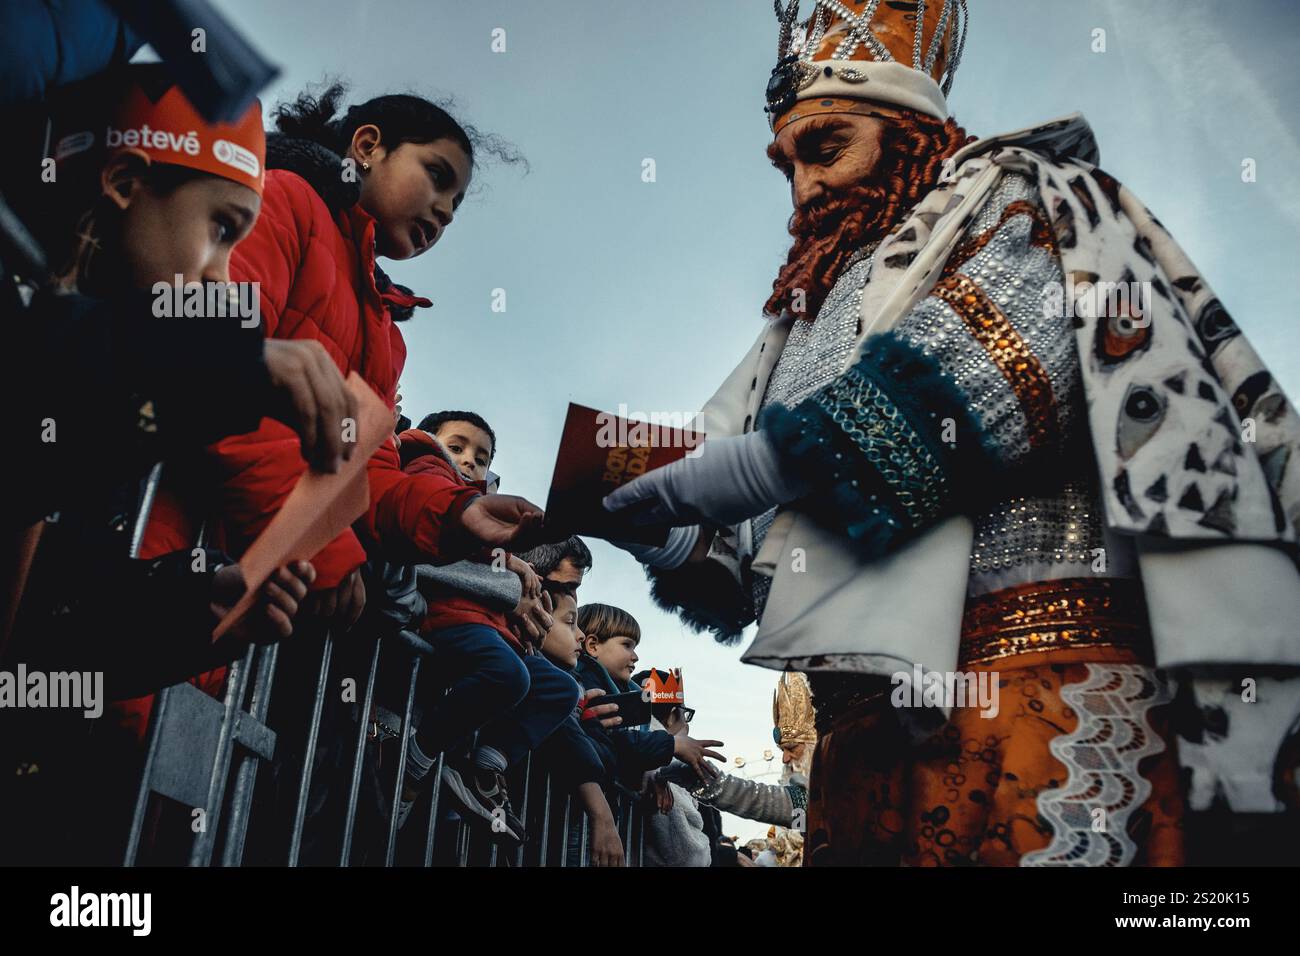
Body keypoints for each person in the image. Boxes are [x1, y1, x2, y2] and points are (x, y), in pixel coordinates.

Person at [605, 0, 1300, 865]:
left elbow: (993, 368)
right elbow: (752, 525)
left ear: (907, 130)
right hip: (859, 741)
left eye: (825, 146)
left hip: (1037, 695)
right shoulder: (796, 319)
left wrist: (749, 463)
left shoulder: (1024, 198)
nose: (804, 186)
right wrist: (634, 508)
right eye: (786, 162)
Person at [117, 81, 545, 738]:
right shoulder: (282, 202)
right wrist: (322, 545)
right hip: (159, 539)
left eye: (455, 210)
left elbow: (363, 472)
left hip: (248, 593)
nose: (442, 213)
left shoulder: (387, 329)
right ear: (368, 146)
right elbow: (218, 376)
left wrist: (457, 513)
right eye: (436, 176)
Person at [393, 411, 559, 841]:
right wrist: (510, 579)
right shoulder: (427, 468)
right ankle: (419, 756)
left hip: (491, 628)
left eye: (482, 458)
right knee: (507, 676)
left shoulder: (481, 514)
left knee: (559, 689)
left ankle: (482, 768)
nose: (469, 462)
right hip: (452, 618)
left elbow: (490, 560)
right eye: (457, 447)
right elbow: (442, 533)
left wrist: (515, 568)